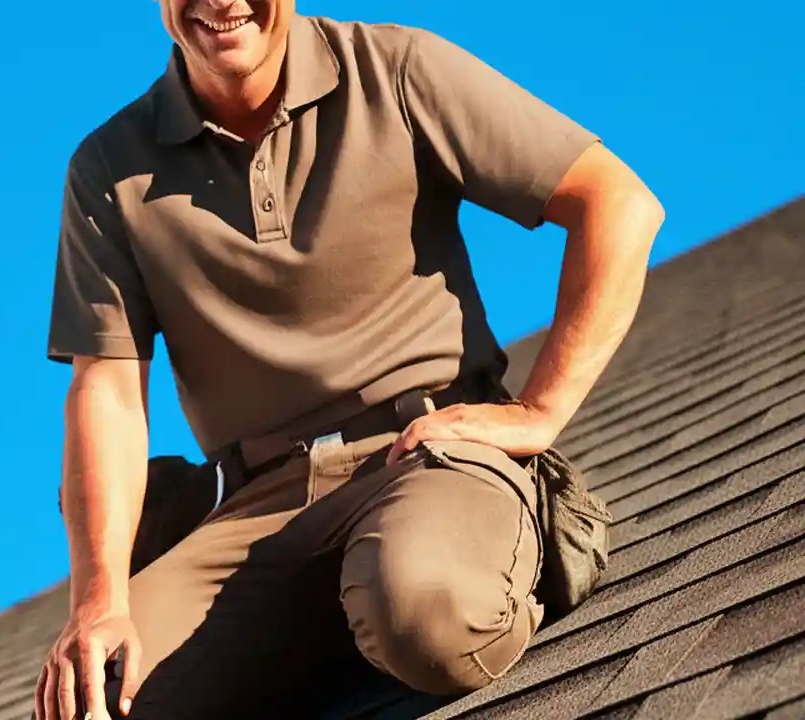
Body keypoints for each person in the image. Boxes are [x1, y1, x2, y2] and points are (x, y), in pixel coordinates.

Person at [35, 2, 664, 718]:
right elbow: (108, 393)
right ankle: (338, 618)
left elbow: (617, 202)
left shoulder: (397, 69)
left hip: (427, 457)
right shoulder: (109, 168)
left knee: (427, 616)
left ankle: (477, 557)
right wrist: (99, 599)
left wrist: (539, 411)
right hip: (254, 507)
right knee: (93, 700)